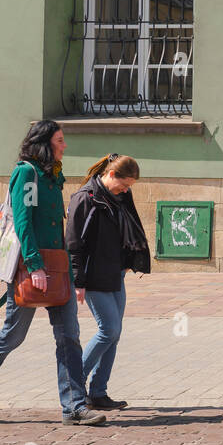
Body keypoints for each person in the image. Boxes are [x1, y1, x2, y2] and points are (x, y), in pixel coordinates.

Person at [0, 121, 107, 426]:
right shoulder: (26, 173)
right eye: (60, 140)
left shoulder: (53, 175)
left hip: (59, 266)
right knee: (12, 336)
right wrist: (34, 264)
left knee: (69, 338)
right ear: (44, 143)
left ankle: (75, 406)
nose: (64, 146)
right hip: (33, 267)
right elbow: (23, 222)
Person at [67, 153, 150, 411]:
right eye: (124, 185)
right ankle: (73, 383)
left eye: (129, 187)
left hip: (116, 273)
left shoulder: (120, 197)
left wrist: (132, 259)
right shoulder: (85, 198)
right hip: (93, 276)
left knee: (115, 334)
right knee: (109, 330)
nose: (126, 191)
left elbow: (131, 227)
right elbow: (74, 244)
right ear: (111, 174)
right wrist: (78, 281)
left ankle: (98, 392)